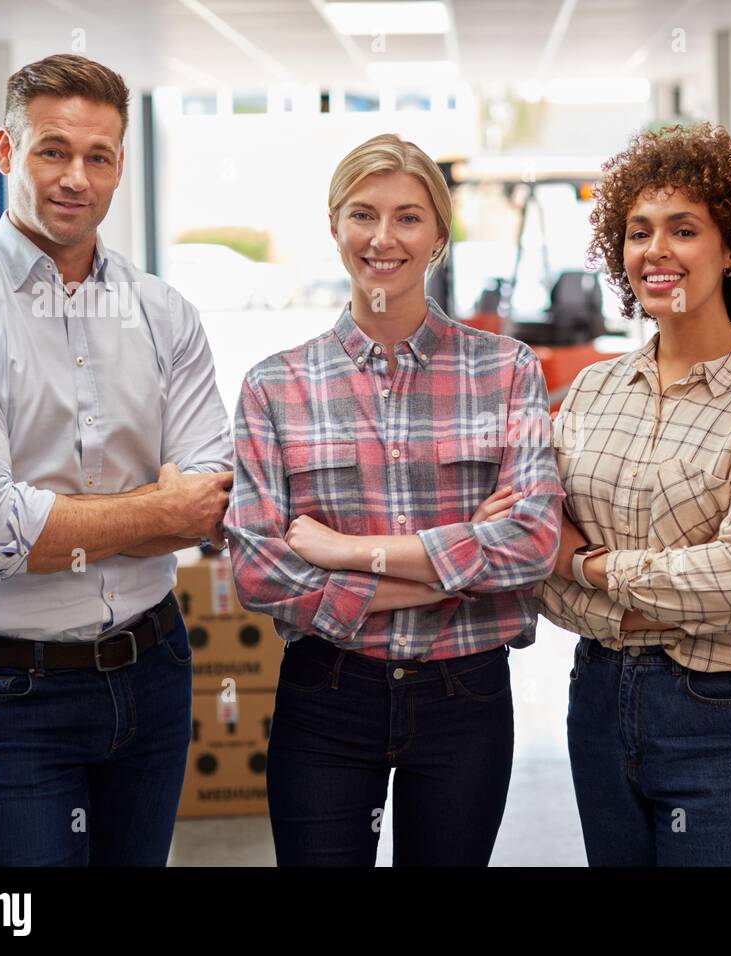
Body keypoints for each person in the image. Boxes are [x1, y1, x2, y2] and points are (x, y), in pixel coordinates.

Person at [0, 54, 233, 866]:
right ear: (6, 152)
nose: (75, 177)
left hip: (154, 668)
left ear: (120, 166)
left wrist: (39, 520)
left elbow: (211, 498)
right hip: (12, 693)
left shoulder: (164, 314)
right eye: (53, 150)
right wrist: (158, 510)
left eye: (99, 156)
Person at [225, 133, 563, 867]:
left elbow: (533, 544)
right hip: (327, 694)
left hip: (464, 696)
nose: (384, 238)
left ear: (440, 235)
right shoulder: (273, 387)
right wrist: (456, 559)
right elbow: (257, 571)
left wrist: (343, 555)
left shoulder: (506, 371)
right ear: (335, 225)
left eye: (409, 217)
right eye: (363, 214)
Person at [536, 123, 731, 866]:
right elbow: (535, 550)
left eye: (683, 229)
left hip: (725, 715)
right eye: (638, 231)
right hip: (599, 699)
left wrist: (591, 569)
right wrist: (592, 577)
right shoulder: (594, 391)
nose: (655, 250)